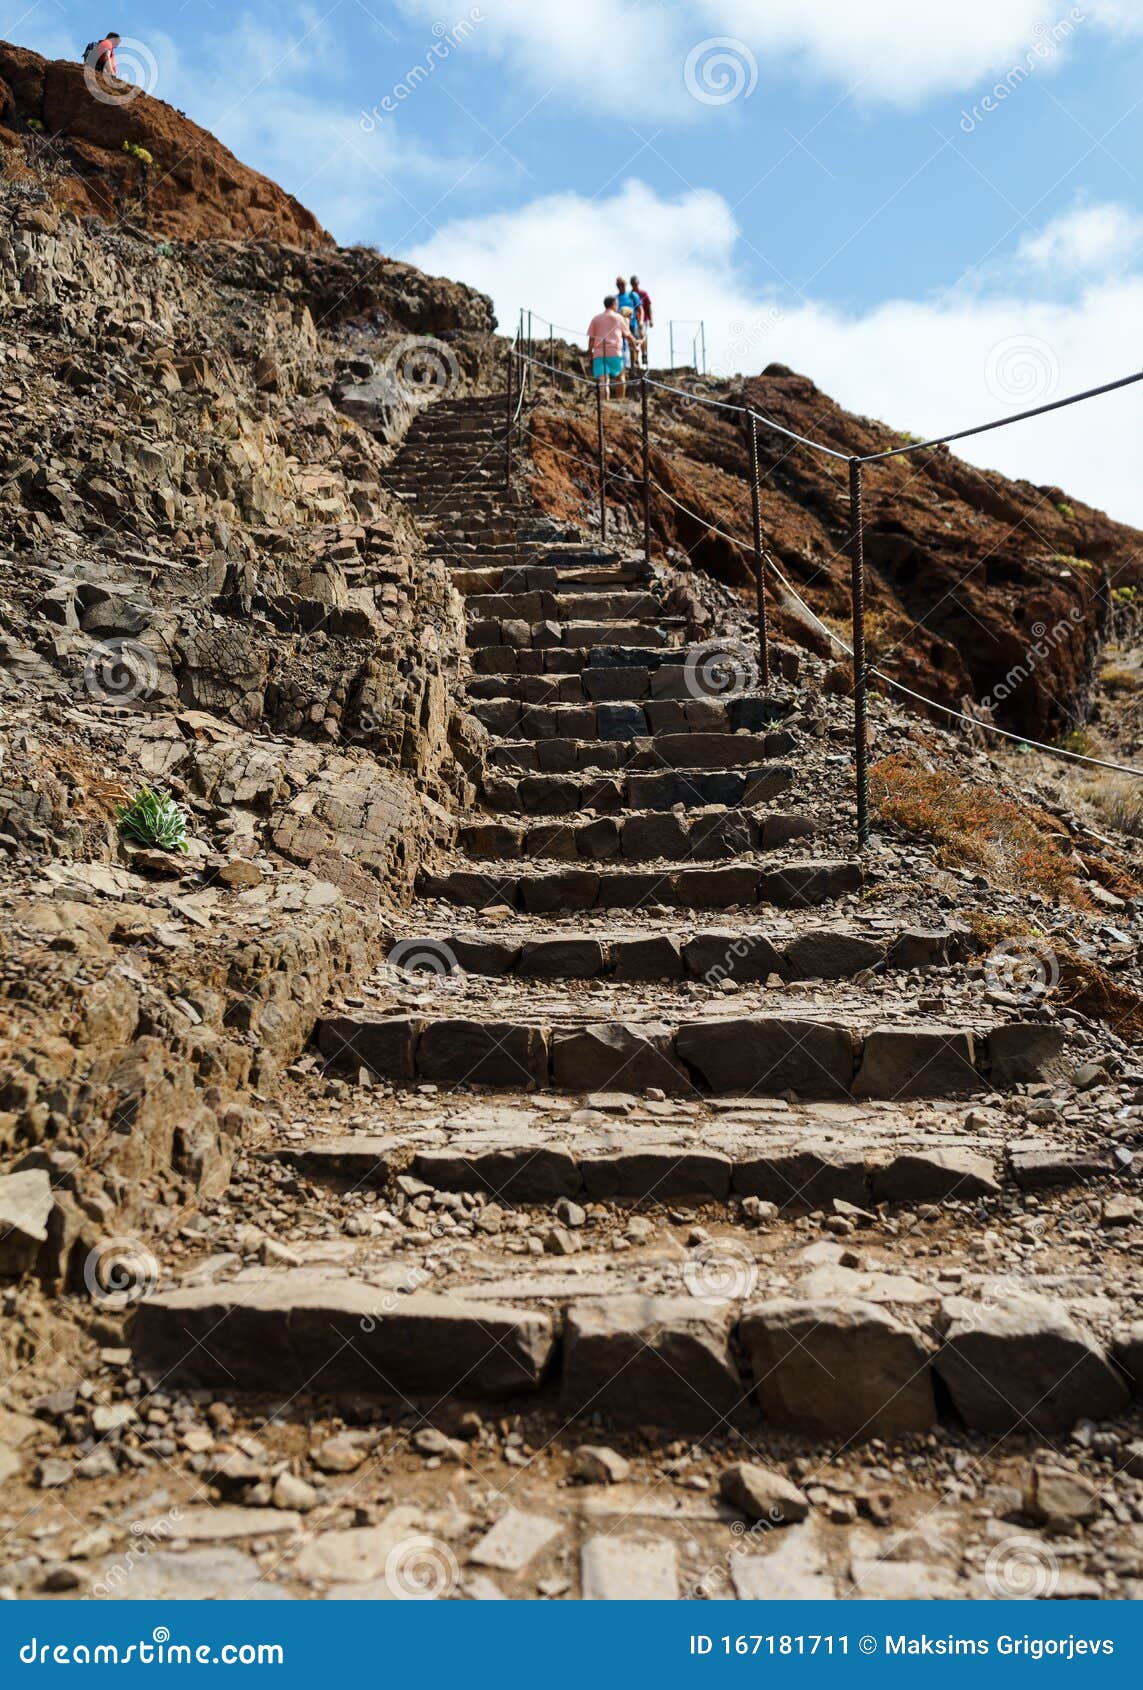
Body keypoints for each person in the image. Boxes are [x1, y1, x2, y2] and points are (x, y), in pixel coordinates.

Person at [586, 294, 635, 399]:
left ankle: (604, 405)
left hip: (598, 354)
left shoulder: (595, 319)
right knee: (620, 377)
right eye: (617, 304)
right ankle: (621, 400)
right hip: (614, 352)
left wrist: (590, 353)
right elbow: (628, 335)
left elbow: (591, 339)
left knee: (603, 381)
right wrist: (635, 346)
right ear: (614, 304)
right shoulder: (619, 317)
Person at [631, 274, 653, 359]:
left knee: (642, 335)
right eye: (633, 284)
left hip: (643, 320)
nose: (635, 285)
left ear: (638, 283)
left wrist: (651, 319)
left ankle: (644, 354)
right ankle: (636, 359)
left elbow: (649, 306)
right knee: (635, 338)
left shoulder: (644, 293)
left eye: (636, 283)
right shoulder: (631, 295)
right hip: (634, 320)